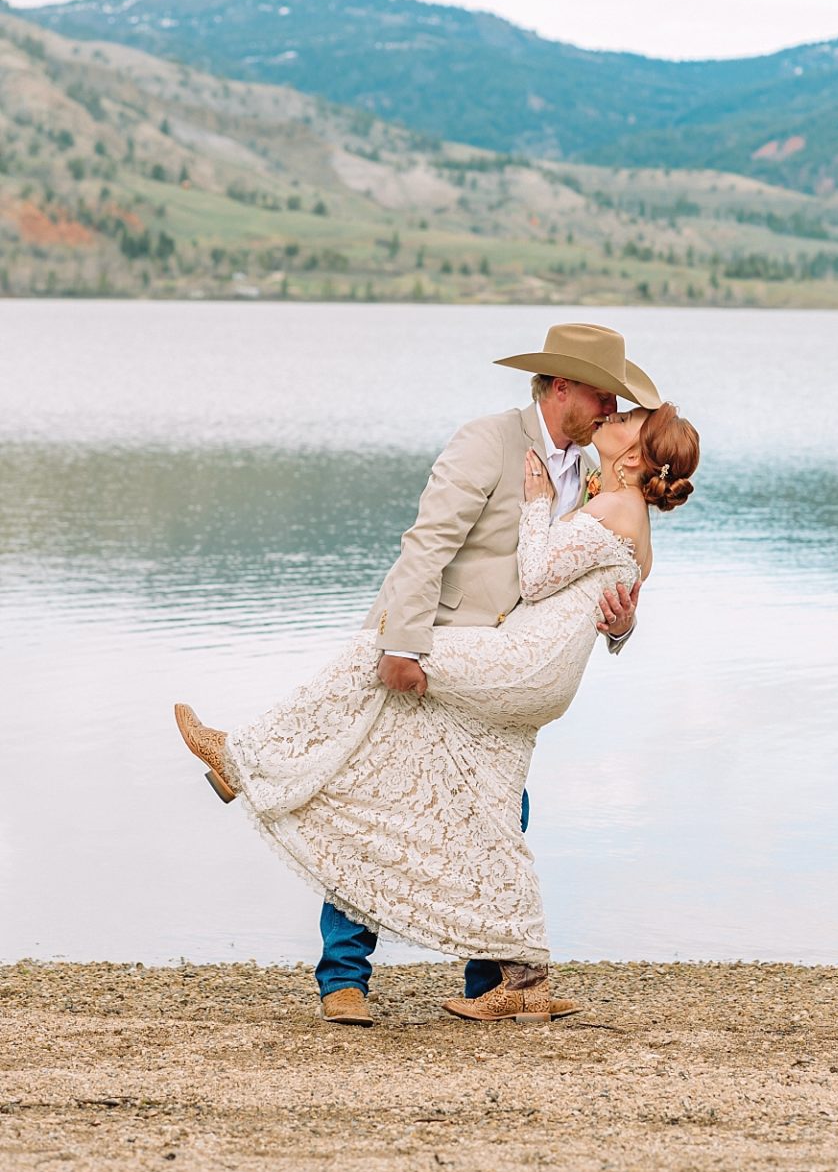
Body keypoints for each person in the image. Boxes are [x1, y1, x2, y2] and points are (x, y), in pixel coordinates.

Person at [174, 323, 700, 1023]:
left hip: (503, 671)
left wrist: (620, 625)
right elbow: (427, 546)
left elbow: (592, 579)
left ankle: (492, 981)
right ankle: (346, 981)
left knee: (500, 814)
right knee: (378, 791)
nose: (611, 408)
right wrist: (402, 643)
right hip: (440, 648)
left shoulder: (597, 477)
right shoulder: (489, 441)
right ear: (564, 386)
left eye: (619, 405)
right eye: (605, 394)